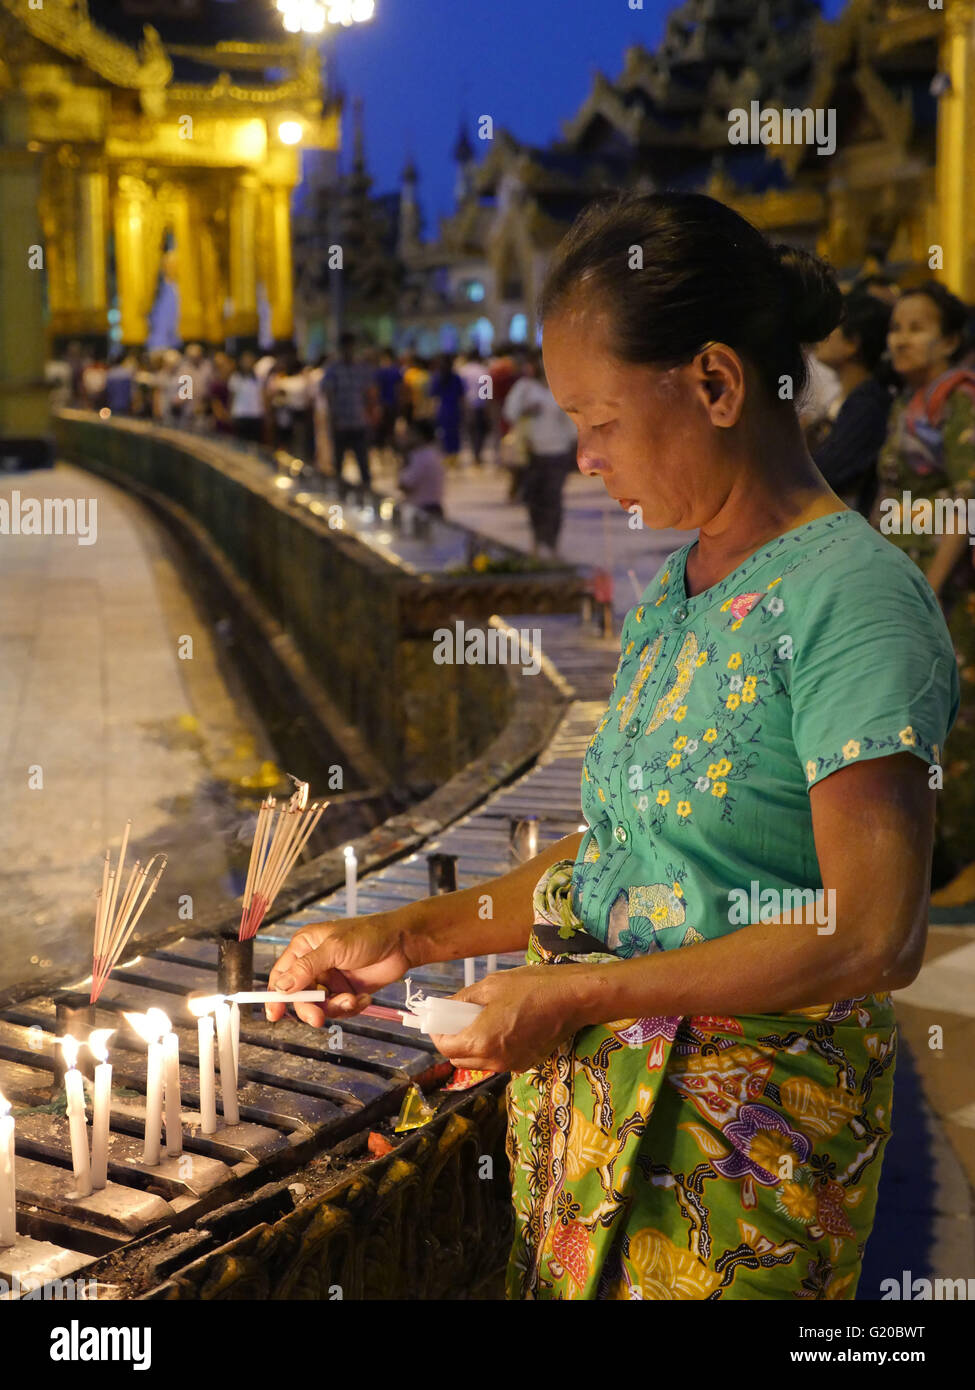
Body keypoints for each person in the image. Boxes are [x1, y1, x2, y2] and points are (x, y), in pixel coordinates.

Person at [264, 190, 957, 1302]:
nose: (583, 457)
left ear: (717, 384)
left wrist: (577, 997)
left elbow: (872, 930)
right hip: (592, 1141)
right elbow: (625, 856)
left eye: (600, 419)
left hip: (739, 1177)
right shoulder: (678, 590)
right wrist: (407, 933)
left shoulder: (853, 600)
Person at [871, 282, 975, 902]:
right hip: (906, 591)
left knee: (956, 724)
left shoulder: (957, 400)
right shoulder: (908, 402)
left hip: (950, 598)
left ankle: (966, 869)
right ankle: (929, 869)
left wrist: (930, 588)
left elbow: (967, 500)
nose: (901, 339)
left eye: (917, 327)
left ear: (951, 339)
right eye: (896, 327)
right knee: (916, 720)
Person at [811, 290, 894, 516]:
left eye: (832, 325)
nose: (821, 333)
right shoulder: (851, 399)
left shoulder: (867, 406)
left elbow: (823, 476)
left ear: (853, 343)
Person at [502, 349, 577, 557]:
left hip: (558, 451)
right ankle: (537, 540)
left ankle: (551, 543)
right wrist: (525, 410)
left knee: (553, 498)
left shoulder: (561, 388)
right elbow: (509, 413)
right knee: (534, 498)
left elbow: (572, 422)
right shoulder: (524, 388)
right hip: (531, 453)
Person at [322, 332, 377, 491]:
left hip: (358, 422)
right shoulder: (333, 368)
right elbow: (328, 395)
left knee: (363, 464)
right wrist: (332, 419)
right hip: (341, 423)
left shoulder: (361, 368)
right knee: (338, 464)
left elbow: (369, 393)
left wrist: (370, 415)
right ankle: (338, 494)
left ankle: (367, 493)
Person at [397, 417, 446, 519]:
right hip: (435, 507)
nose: (407, 437)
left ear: (420, 435)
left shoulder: (419, 457)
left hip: (422, 511)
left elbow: (405, 485)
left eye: (411, 433)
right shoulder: (435, 453)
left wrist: (403, 465)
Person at [429, 352, 465, 464]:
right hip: (454, 408)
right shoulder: (456, 378)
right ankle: (454, 457)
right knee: (455, 433)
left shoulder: (436, 377)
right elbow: (461, 396)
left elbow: (433, 396)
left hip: (442, 409)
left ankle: (446, 457)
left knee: (443, 434)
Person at [456, 349, 491, 464]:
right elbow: (487, 391)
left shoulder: (463, 371)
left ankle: (473, 452)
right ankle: (477, 453)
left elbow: (460, 390)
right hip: (480, 404)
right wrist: (487, 406)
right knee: (480, 430)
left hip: (467, 404)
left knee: (470, 430)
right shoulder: (483, 370)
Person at [227, 350, 266, 443]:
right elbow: (231, 397)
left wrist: (265, 412)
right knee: (240, 443)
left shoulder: (258, 378)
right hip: (240, 415)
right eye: (245, 361)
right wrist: (229, 413)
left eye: (249, 361)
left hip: (255, 414)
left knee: (255, 443)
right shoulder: (235, 377)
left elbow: (262, 396)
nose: (247, 363)